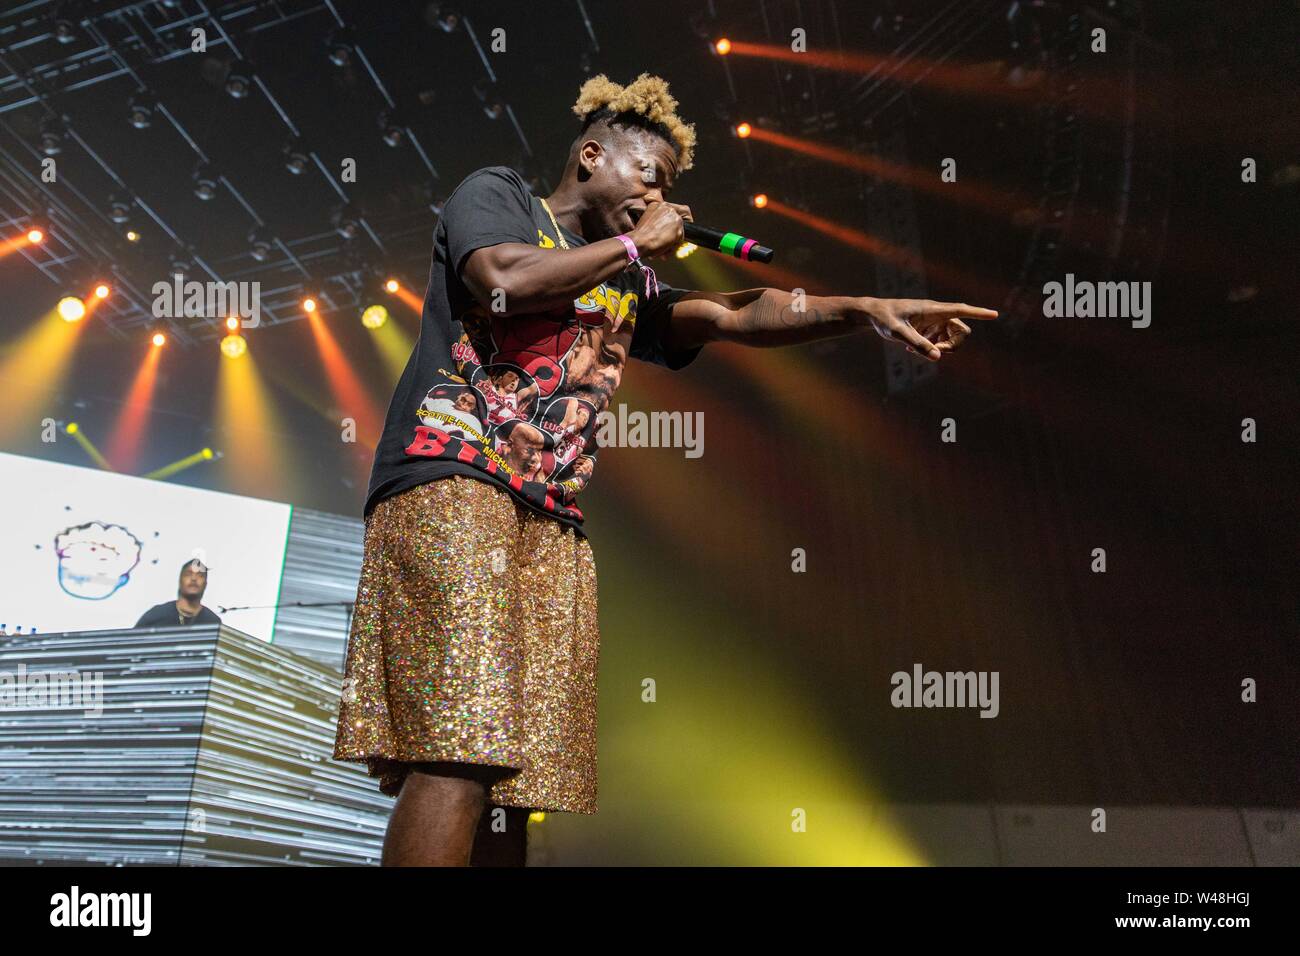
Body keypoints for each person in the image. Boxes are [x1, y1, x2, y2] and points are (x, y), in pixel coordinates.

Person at [333, 72, 997, 867]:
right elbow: (501, 283)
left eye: (670, 189)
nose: (659, 198)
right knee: (461, 743)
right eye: (649, 176)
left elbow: (736, 314)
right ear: (591, 155)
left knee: (519, 778)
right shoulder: (501, 196)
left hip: (550, 516)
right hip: (453, 477)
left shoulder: (626, 280)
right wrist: (629, 247)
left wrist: (862, 310)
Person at [135, 559, 221, 627]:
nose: (194, 578)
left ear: (205, 584)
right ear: (180, 581)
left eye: (200, 575)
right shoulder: (157, 615)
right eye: (188, 574)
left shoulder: (213, 622)